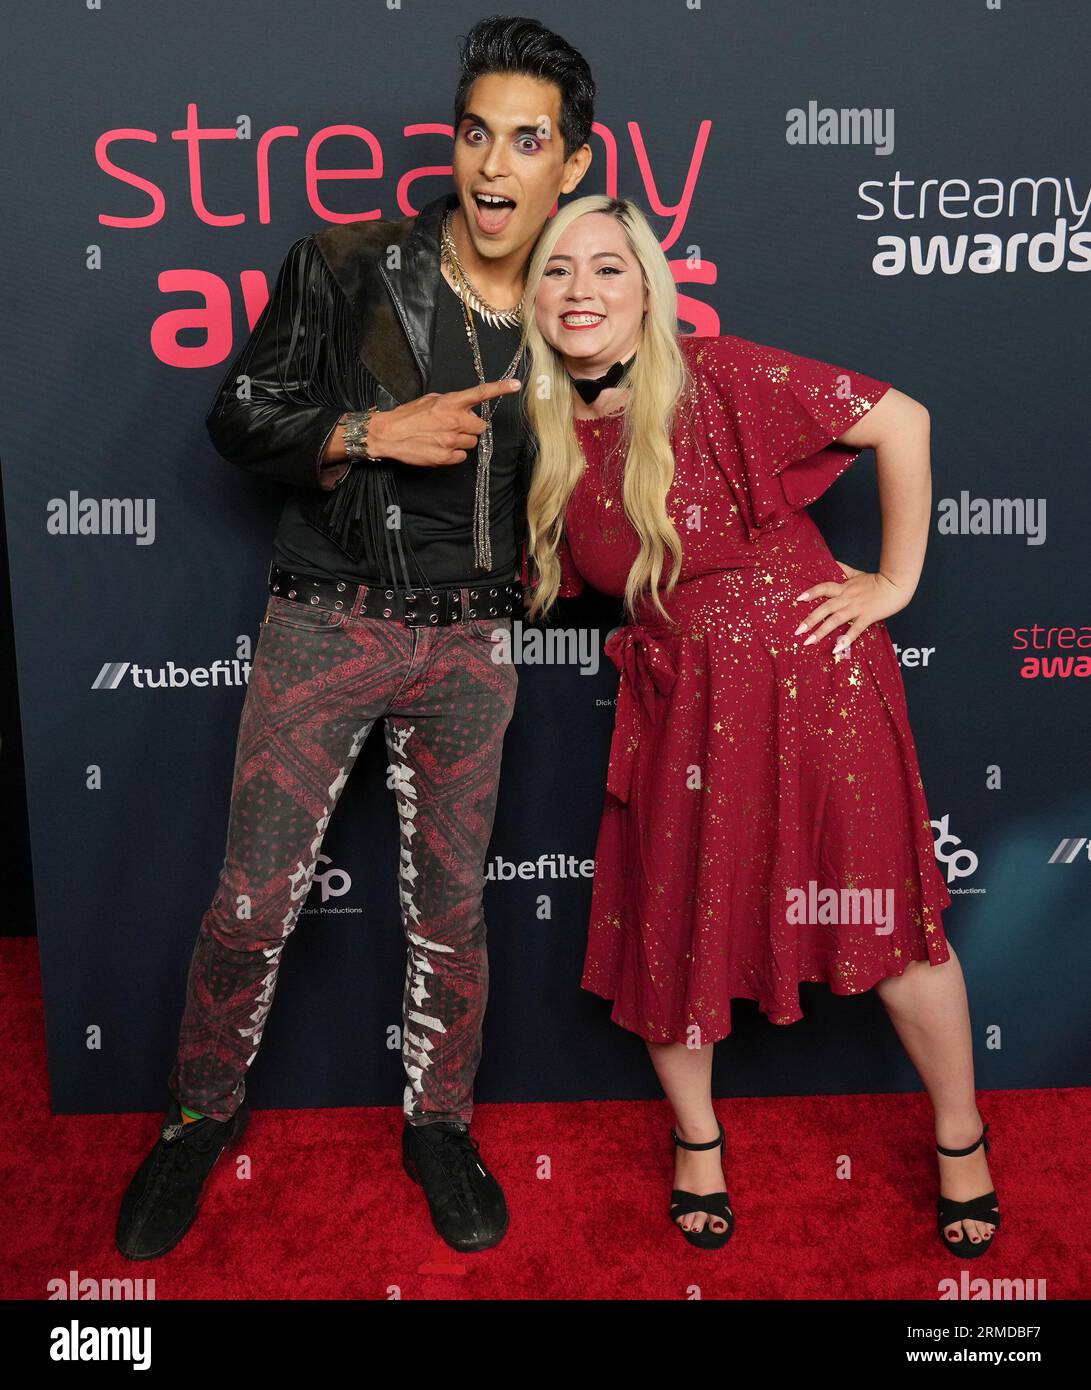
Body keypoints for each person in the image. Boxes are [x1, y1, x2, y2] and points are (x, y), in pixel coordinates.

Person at [115, 15, 593, 1260]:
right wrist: (371, 434)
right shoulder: (345, 264)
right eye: (476, 132)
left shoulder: (579, 300)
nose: (493, 164)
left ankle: (439, 1123)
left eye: (526, 141)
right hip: (327, 623)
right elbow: (238, 412)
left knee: (452, 907)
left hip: (475, 649)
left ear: (572, 165)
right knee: (250, 901)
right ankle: (194, 1117)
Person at [521, 195, 1001, 1257]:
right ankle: (699, 1141)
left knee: (888, 925)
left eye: (607, 267)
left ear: (646, 284)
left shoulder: (717, 374)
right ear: (531, 296)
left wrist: (892, 582)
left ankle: (958, 1136)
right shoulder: (549, 436)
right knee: (672, 928)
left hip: (811, 687)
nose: (581, 291)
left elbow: (900, 419)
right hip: (680, 708)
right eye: (556, 271)